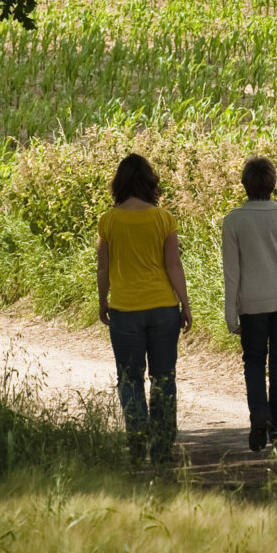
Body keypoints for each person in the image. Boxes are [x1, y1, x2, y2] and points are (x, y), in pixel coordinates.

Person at [96, 153, 193, 463]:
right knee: (164, 378)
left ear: (119, 184)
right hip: (164, 308)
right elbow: (174, 265)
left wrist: (103, 302)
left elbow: (103, 268)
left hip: (124, 310)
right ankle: (163, 447)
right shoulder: (163, 218)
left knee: (130, 379)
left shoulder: (108, 221)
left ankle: (137, 438)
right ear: (149, 182)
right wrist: (185, 305)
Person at [221, 156, 277, 453]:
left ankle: (259, 412)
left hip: (251, 304)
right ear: (273, 183)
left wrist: (230, 314)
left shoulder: (233, 221)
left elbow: (232, 272)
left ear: (245, 184)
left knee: (254, 361)